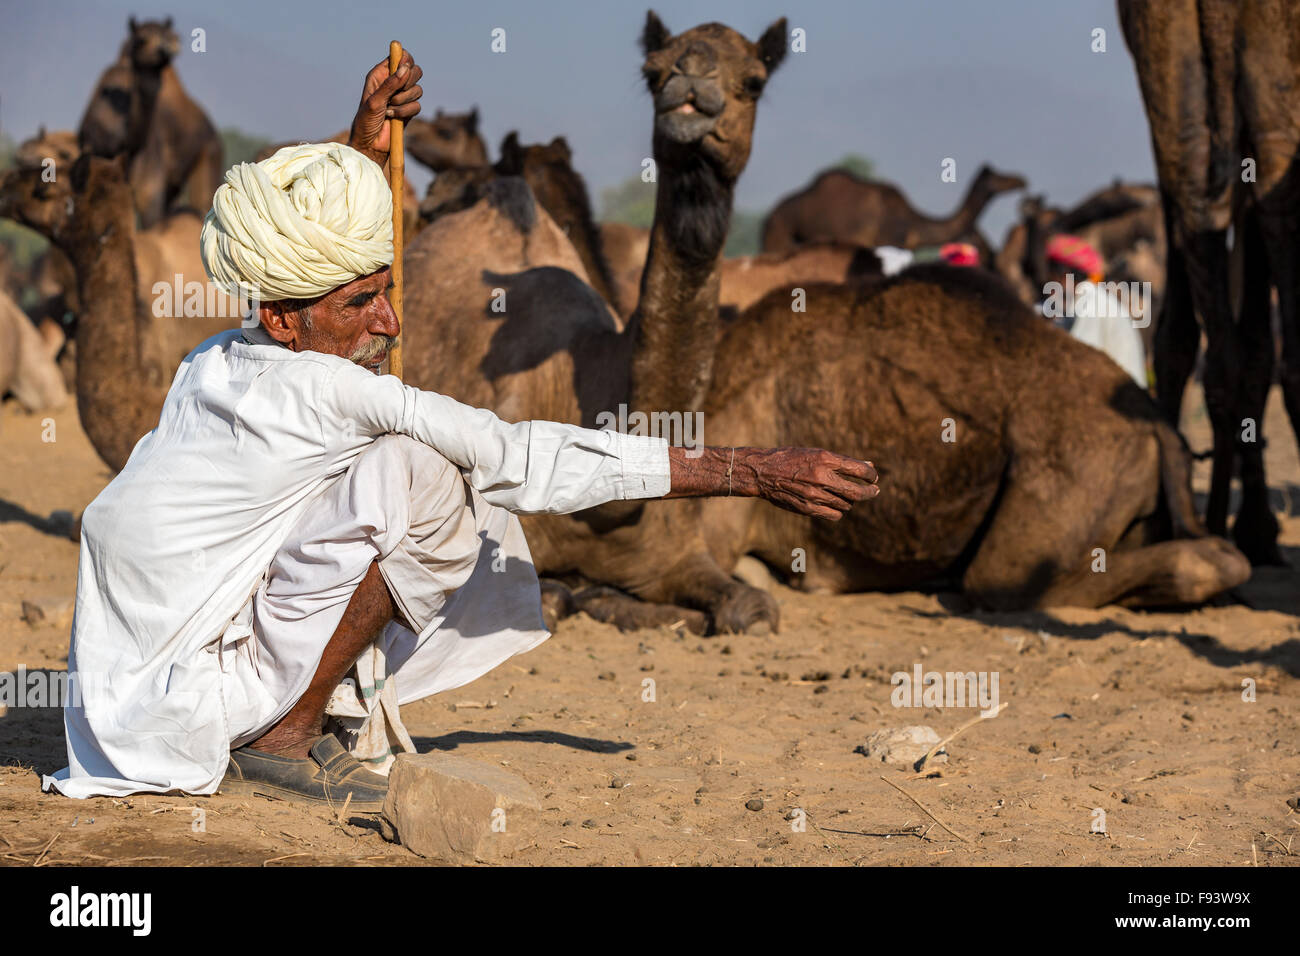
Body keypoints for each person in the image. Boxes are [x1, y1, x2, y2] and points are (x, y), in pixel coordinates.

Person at [42, 51, 880, 810]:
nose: (392, 318)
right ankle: (284, 734)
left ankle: (299, 711)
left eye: (383, 287)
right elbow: (521, 456)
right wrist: (751, 471)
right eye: (360, 302)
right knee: (435, 480)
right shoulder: (332, 393)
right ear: (285, 319)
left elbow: (324, 289)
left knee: (377, 474)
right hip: (188, 706)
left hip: (117, 705)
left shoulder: (215, 358)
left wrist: (368, 143)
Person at [1040, 233, 1148, 388]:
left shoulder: (1093, 302)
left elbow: (1081, 362)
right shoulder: (1083, 303)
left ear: (1062, 275)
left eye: (1050, 276)